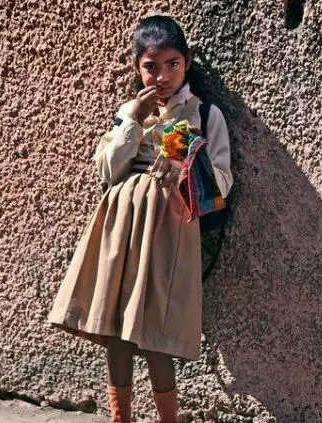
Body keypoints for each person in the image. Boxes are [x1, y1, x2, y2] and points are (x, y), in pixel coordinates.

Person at [47, 15, 232, 423]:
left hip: (169, 228)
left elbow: (221, 182)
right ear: (136, 66)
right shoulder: (128, 112)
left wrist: (184, 158)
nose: (162, 75)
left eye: (172, 64)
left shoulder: (204, 113)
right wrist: (131, 119)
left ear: (187, 62)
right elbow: (109, 171)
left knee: (155, 332)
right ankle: (120, 418)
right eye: (151, 66)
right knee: (116, 327)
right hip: (120, 226)